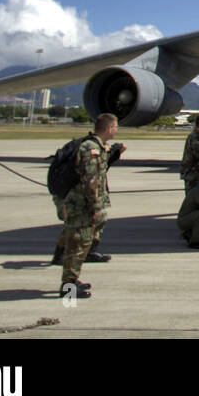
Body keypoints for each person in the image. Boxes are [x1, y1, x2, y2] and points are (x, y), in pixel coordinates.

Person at [60, 113, 118, 297]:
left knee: (82, 243)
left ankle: (73, 280)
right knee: (77, 245)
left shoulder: (97, 147)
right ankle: (68, 287)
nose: (116, 131)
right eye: (115, 127)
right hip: (82, 206)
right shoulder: (90, 149)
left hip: (83, 204)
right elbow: (90, 181)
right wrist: (96, 207)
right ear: (109, 128)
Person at [52, 137, 123, 265]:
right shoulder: (87, 148)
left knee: (100, 218)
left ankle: (89, 251)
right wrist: (94, 204)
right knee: (72, 224)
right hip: (72, 194)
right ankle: (59, 254)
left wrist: (113, 154)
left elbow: (100, 169)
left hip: (84, 194)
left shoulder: (94, 149)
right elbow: (89, 174)